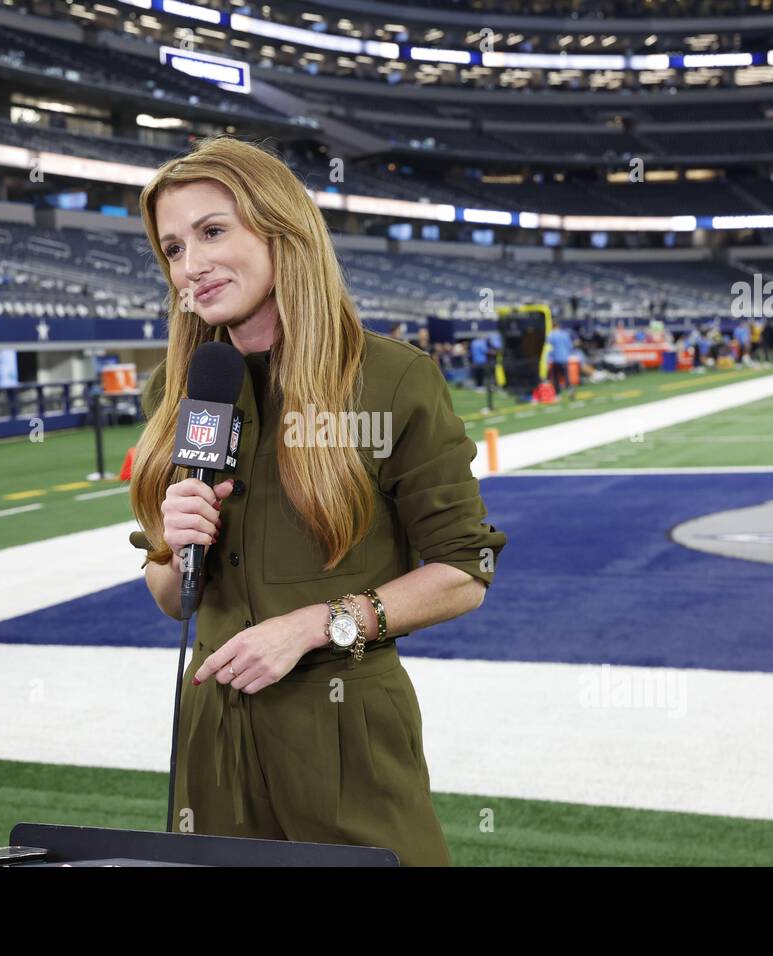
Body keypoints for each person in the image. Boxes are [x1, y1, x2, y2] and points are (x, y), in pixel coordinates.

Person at [129, 135, 507, 866]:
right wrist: (174, 549)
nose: (191, 265)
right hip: (210, 729)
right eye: (173, 248)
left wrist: (317, 626)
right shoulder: (176, 394)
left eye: (212, 231)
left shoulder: (392, 379)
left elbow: (464, 572)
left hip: (344, 723)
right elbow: (174, 600)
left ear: (281, 227)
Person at [546, 319, 573, 395]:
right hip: (564, 358)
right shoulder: (565, 334)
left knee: (556, 377)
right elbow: (570, 346)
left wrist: (548, 359)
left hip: (556, 359)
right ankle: (570, 389)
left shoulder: (551, 335)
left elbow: (548, 347)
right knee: (566, 375)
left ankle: (557, 393)